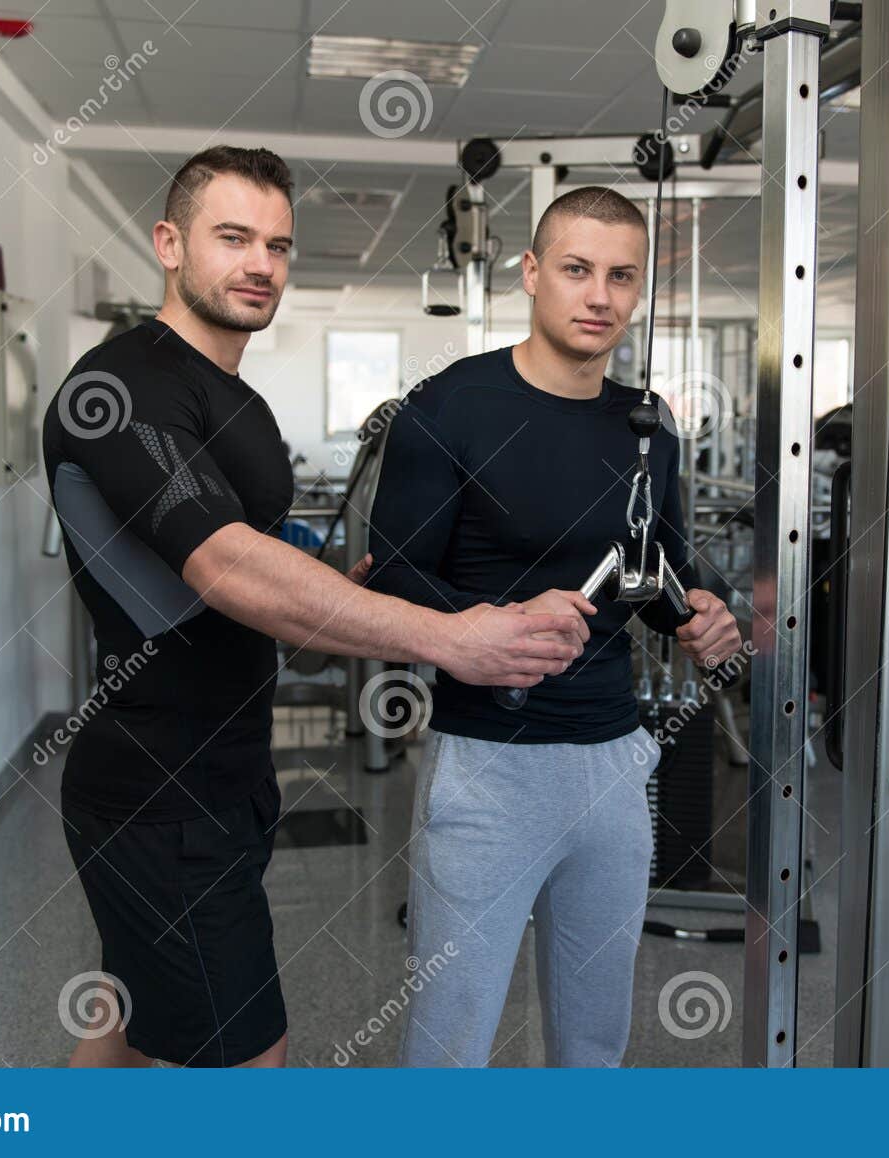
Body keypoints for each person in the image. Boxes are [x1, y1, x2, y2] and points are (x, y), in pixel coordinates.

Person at [42, 146, 589, 1069]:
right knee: (255, 1057)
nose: (261, 262)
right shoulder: (123, 384)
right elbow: (223, 566)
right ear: (169, 244)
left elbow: (252, 546)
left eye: (278, 244)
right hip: (159, 792)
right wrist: (448, 639)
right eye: (233, 237)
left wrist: (350, 586)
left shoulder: (234, 401)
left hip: (224, 774)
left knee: (124, 1019)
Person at [366, 186, 742, 1066]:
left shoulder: (646, 424)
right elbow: (393, 577)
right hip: (489, 770)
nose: (599, 296)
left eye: (621, 276)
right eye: (576, 270)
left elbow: (664, 567)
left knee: (593, 1045)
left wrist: (706, 610)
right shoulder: (449, 407)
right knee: (450, 1049)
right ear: (532, 273)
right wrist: (493, 621)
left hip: (614, 764)